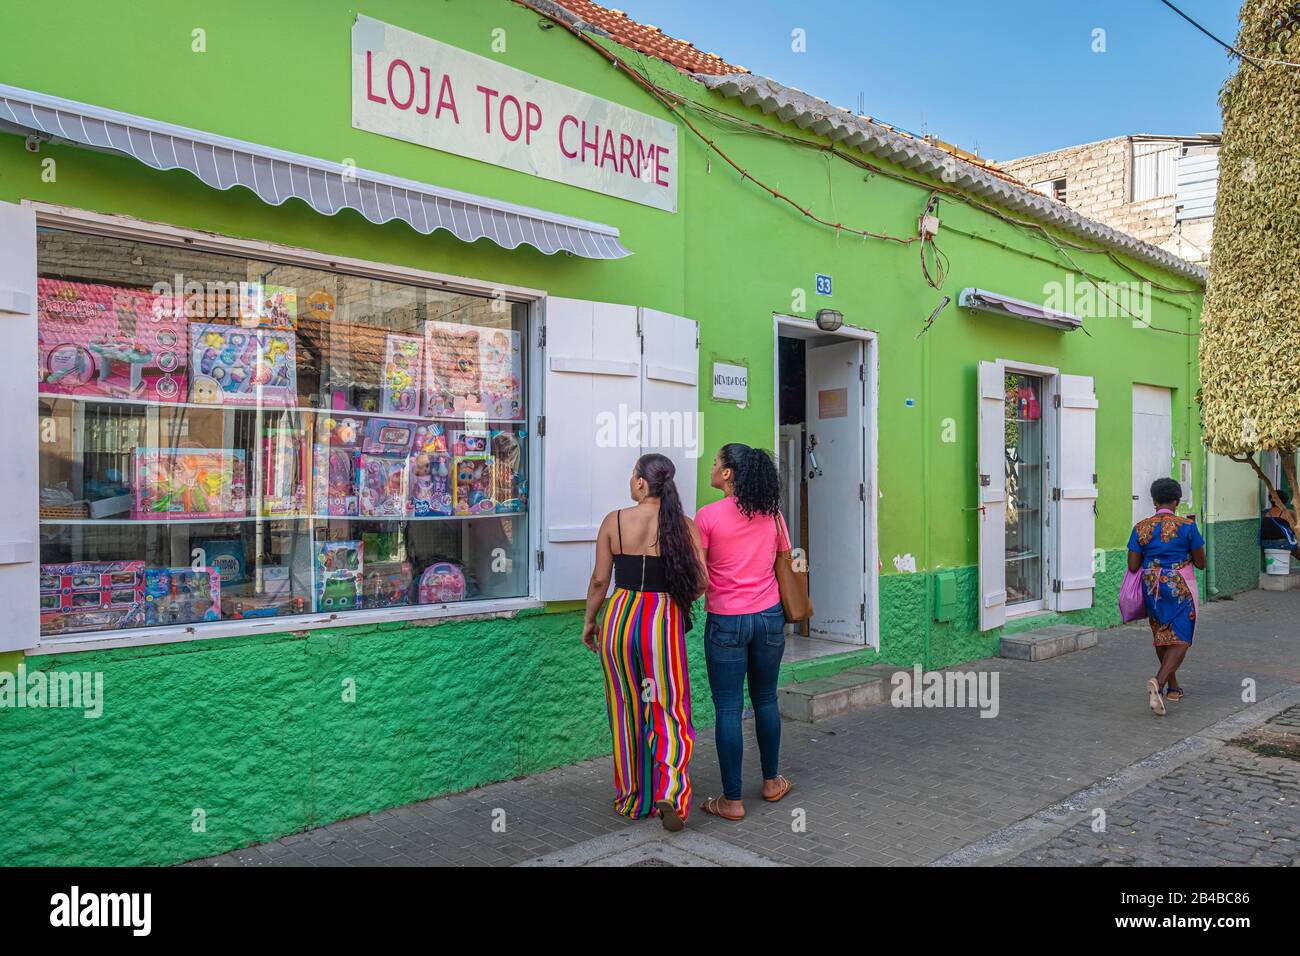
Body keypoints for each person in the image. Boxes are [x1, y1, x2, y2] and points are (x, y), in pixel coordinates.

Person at [582, 453, 707, 832]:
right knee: (669, 709)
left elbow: (600, 581)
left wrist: (590, 621)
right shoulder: (684, 526)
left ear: (640, 482)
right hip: (661, 623)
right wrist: (676, 596)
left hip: (619, 619)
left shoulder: (614, 521)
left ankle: (634, 798)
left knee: (626, 709)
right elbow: (701, 582)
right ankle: (670, 791)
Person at [694, 443, 794, 821]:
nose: (713, 467)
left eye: (716, 462)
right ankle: (771, 782)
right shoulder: (772, 515)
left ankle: (732, 801)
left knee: (729, 707)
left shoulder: (707, 517)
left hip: (726, 621)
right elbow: (788, 559)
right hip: (769, 617)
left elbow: (699, 574)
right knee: (766, 698)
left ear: (728, 474)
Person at [1127, 477, 1207, 715]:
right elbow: (1201, 563)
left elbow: (1133, 565)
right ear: (1177, 500)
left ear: (1154, 500)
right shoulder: (1187, 526)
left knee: (1162, 636)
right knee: (1182, 638)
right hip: (1179, 585)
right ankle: (1159, 683)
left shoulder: (1141, 527)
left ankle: (1174, 687)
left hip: (1151, 586)